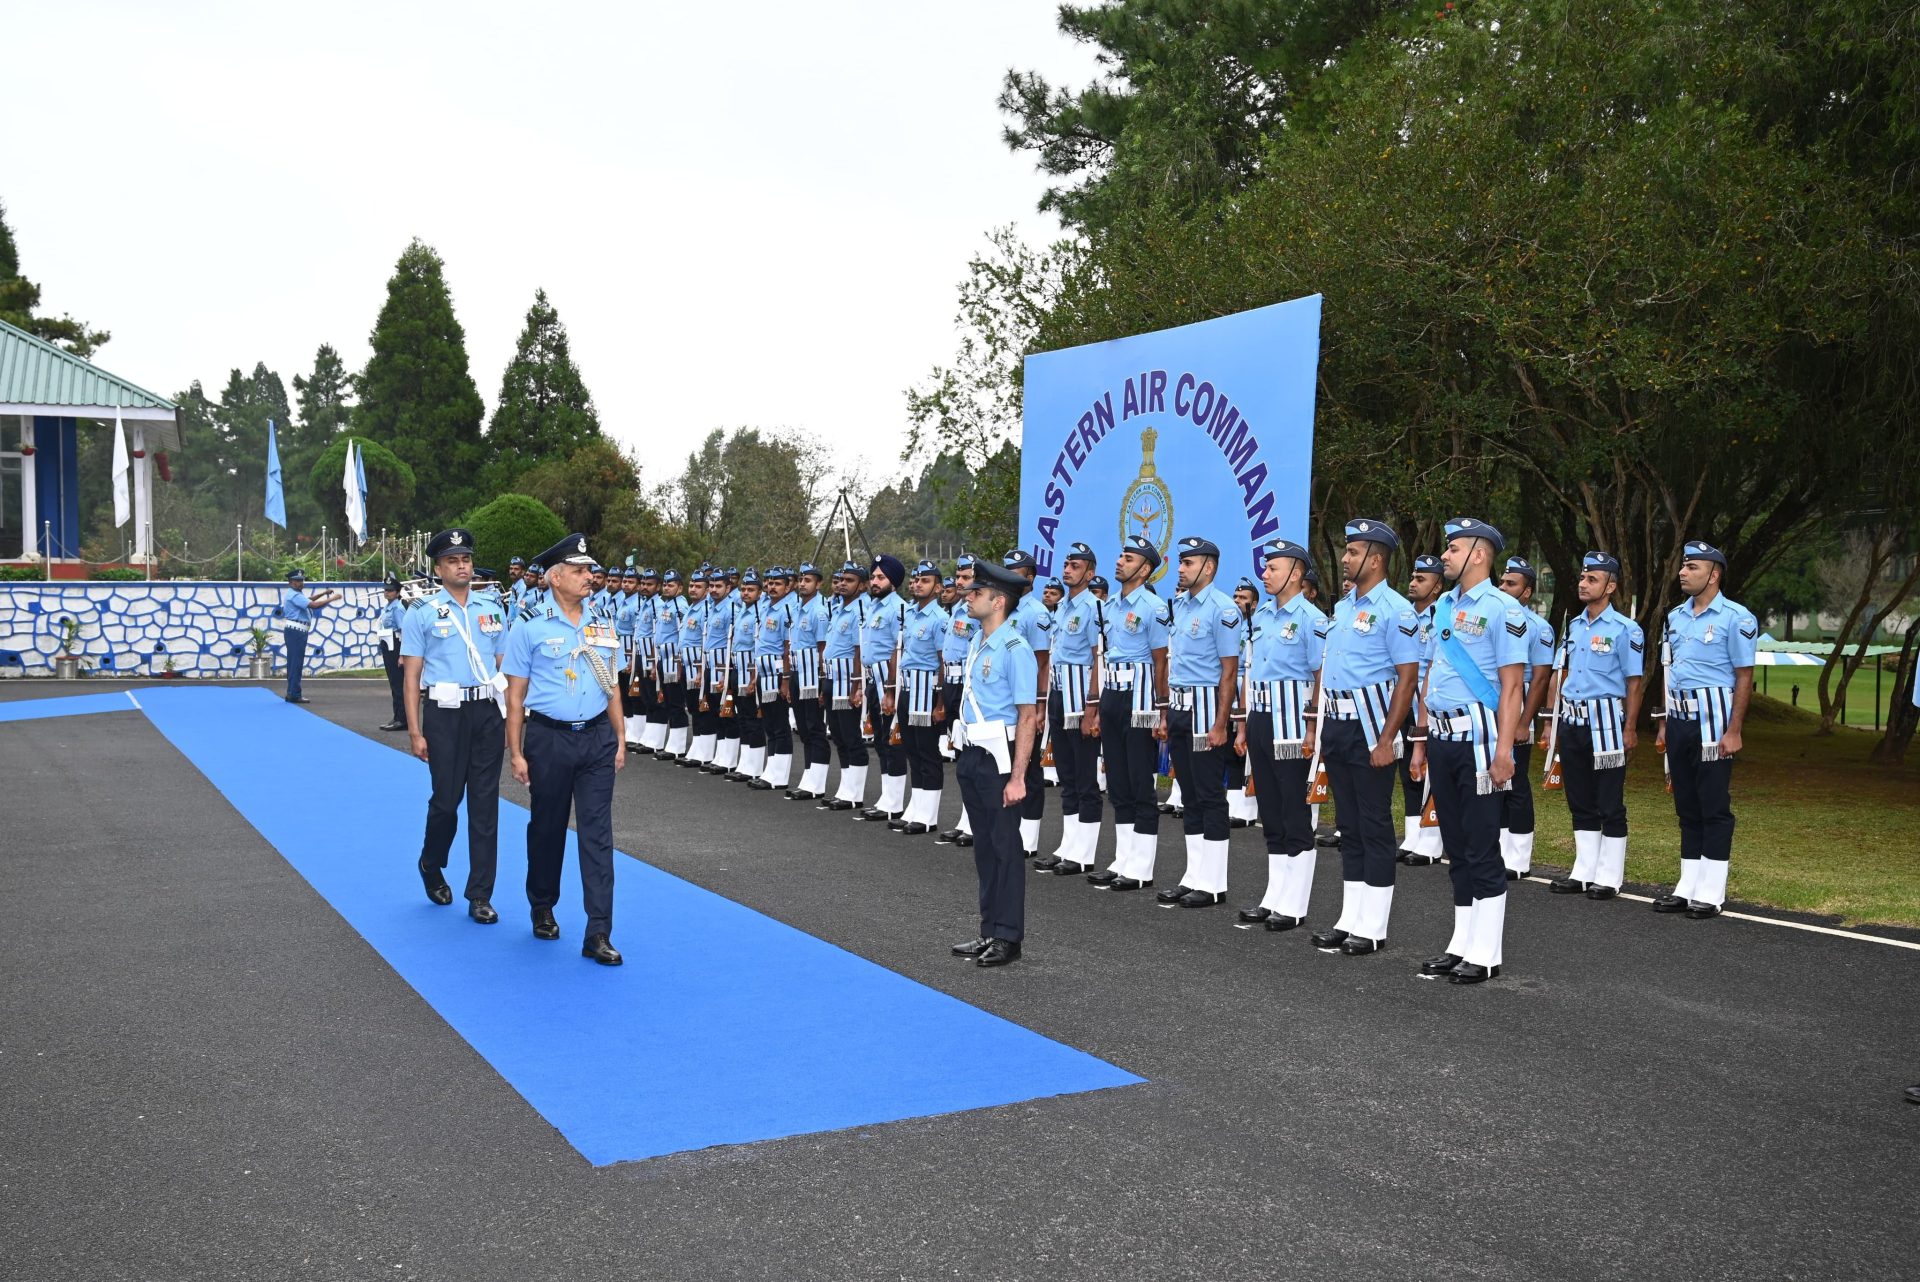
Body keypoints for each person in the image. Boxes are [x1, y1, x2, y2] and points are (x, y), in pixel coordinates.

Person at [1410, 517, 1529, 983]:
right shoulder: (1443, 607)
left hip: (1480, 735)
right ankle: (1461, 941)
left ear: (1479, 553)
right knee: (1456, 847)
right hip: (1441, 736)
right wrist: (1421, 745)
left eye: (1454, 548)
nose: (1445, 555)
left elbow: (1513, 683)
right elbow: (1430, 674)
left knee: (1481, 845)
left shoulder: (1503, 609)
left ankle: (1486, 951)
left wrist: (1505, 750)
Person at [504, 533, 628, 965]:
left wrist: (620, 737)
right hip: (548, 738)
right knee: (547, 827)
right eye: (578, 571)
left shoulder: (604, 624)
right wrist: (516, 752)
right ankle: (542, 904)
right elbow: (515, 696)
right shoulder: (529, 626)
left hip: (596, 739)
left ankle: (598, 932)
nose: (588, 577)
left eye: (589, 570)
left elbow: (611, 685)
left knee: (598, 836)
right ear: (555, 578)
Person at [1310, 520, 1420, 954]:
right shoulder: (1342, 608)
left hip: (1371, 727)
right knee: (1348, 826)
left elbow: (1407, 678)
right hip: (1337, 725)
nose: (1346, 558)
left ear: (1375, 559)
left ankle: (1372, 926)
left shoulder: (1397, 610)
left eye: (1353, 552)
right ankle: (1349, 917)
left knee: (1374, 825)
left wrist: (1387, 738)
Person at [400, 528, 509, 923]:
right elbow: (411, 677)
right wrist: (415, 731)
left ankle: (480, 893)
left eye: (465, 559)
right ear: (438, 567)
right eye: (452, 560)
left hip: (486, 714)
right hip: (445, 716)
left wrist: (513, 722)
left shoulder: (493, 608)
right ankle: (431, 862)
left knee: (485, 804)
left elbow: (504, 666)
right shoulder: (422, 613)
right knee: (446, 801)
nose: (461, 566)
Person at [1651, 540, 1756, 920]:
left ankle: (1711, 892)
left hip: (1714, 720)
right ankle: (1688, 884)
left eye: (1692, 567)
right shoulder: (1674, 616)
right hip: (1679, 720)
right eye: (1683, 566)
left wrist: (1735, 729)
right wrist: (1664, 723)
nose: (1683, 572)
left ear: (1714, 575)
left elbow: (1744, 677)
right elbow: (1669, 673)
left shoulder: (1737, 618)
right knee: (1686, 805)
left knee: (1713, 805)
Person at [948, 558, 1042, 968]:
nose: (969, 597)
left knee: (1005, 847)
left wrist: (1019, 776)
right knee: (984, 847)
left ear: (998, 601)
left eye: (977, 593)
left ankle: (1008, 937)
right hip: (971, 753)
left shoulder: (1015, 649)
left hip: (1000, 758)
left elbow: (1028, 715)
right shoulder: (977, 642)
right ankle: (989, 929)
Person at [1235, 542, 1326, 930]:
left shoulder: (1311, 618)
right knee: (1270, 811)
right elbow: (1250, 669)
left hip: (1292, 722)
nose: (1265, 574)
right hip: (1260, 717)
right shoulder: (1261, 617)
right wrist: (1243, 723)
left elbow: (1321, 675)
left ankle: (1295, 904)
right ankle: (1274, 895)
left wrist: (1311, 727)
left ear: (1295, 572)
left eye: (1273, 568)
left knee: (1293, 809)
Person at [1547, 551, 1646, 900]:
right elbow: (1563, 674)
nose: (1583, 584)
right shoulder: (1573, 626)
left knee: (1609, 801)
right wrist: (1551, 723)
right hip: (1573, 720)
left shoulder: (1625, 630)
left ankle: (1609, 876)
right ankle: (1584, 869)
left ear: (1610, 586)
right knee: (1579, 798)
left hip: (1606, 722)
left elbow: (1634, 683)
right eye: (1582, 578)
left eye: (1592, 579)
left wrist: (1630, 728)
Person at [1152, 536, 1242, 908]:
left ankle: (1215, 882)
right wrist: (1166, 713)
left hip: (1207, 710)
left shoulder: (1223, 610)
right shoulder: (1182, 606)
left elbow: (1229, 671)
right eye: (1181, 563)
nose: (1182, 569)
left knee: (1209, 795)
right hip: (1179, 707)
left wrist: (1221, 723)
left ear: (1209, 567)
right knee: (1188, 795)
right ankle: (1194, 875)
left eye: (1189, 563)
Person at [1086, 535, 1171, 891]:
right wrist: (1095, 708)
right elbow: (1102, 656)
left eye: (1129, 557)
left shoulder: (1154, 608)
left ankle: (1142, 866)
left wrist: (1162, 713)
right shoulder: (1109, 607)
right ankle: (1123, 858)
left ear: (1146, 568)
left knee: (1140, 782)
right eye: (1120, 555)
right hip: (1113, 694)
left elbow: (1162, 661)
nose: (1120, 561)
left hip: (1140, 699)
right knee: (1118, 782)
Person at [1035, 542, 1104, 873]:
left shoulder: (1093, 608)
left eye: (1075, 565)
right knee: (1067, 775)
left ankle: (1085, 853)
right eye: (1066, 563)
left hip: (1082, 700)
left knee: (1085, 776)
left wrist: (1093, 707)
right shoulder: (1060, 608)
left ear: (1089, 573)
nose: (1067, 569)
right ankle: (1068, 844)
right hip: (1060, 697)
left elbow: (1097, 658)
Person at [1495, 557, 1558, 880]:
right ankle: (1499, 851)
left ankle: (1518, 857)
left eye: (1511, 584)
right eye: (1502, 582)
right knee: (1494, 783)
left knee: (1516, 783)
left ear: (1527, 592)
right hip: (1493, 706)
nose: (1503, 588)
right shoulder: (1492, 617)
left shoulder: (1538, 627)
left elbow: (1542, 678)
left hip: (1520, 707)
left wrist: (1524, 722)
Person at [998, 551, 1054, 856]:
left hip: (1027, 700)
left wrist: (1040, 707)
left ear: (1030, 577)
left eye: (1016, 572)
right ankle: (1009, 830)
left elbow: (1042, 663)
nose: (1009, 576)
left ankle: (1029, 839)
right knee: (1005, 766)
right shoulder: (1003, 607)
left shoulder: (1037, 613)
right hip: (1004, 699)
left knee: (1029, 768)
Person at [892, 560, 951, 833]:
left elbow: (943, 661)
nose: (917, 584)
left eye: (925, 580)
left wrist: (940, 702)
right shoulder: (911, 613)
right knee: (912, 750)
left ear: (938, 588)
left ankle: (928, 815)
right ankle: (915, 807)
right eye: (915, 579)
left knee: (928, 752)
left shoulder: (940, 619)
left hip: (928, 690)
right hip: (908, 687)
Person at [1398, 554, 1446, 865]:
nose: (1414, 583)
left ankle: (1432, 840)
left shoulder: (1442, 615)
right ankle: (1413, 834)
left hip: (1429, 703)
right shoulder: (1404, 616)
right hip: (1404, 702)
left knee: (1433, 771)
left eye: (1422, 579)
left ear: (1438, 586)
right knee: (1408, 770)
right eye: (1413, 578)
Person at [858, 555, 911, 822]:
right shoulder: (873, 606)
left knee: (893, 742)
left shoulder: (897, 608)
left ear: (894, 581)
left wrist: (890, 690)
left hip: (888, 681)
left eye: (881, 577)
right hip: (872, 679)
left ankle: (895, 801)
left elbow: (896, 651)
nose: (875, 582)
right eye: (874, 577)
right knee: (880, 740)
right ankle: (886, 796)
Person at [820, 561, 872, 811]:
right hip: (832, 677)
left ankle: (855, 793)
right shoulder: (839, 606)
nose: (842, 583)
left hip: (847, 680)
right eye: (840, 579)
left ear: (863, 585)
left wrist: (857, 685)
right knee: (839, 736)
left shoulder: (861, 608)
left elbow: (859, 649)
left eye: (849, 580)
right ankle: (845, 787)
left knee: (851, 736)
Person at [937, 556, 982, 845]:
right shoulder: (956, 610)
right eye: (958, 576)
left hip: (969, 687)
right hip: (952, 685)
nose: (960, 581)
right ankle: (966, 819)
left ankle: (977, 823)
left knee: (973, 759)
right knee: (962, 760)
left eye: (966, 576)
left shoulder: (979, 612)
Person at [748, 567, 799, 791]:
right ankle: (771, 769)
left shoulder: (788, 608)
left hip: (778, 672)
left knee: (780, 724)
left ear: (788, 586)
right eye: (769, 583)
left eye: (777, 583)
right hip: (764, 671)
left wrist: (786, 681)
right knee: (769, 723)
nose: (771, 587)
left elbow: (788, 647)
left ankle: (780, 774)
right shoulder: (766, 607)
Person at [786, 563, 834, 800]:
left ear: (819, 584)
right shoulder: (797, 608)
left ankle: (817, 781)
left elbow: (823, 648)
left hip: (812, 674)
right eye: (801, 579)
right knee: (803, 728)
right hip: (796, 671)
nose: (803, 583)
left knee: (815, 727)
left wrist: (823, 681)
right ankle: (809, 775)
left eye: (808, 580)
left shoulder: (820, 611)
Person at [1223, 577, 1261, 828]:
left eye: (1243, 599)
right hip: (1229, 687)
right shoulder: (1229, 624)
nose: (1238, 602)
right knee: (1230, 748)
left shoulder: (1257, 625)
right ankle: (1234, 802)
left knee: (1248, 748)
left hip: (1249, 689)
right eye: (1235, 598)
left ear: (1254, 604)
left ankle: (1248, 807)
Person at [727, 570, 768, 782]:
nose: (745, 593)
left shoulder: (760, 613)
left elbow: (757, 646)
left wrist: (754, 677)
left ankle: (756, 764)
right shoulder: (742, 610)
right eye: (743, 589)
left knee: (753, 718)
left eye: (751, 590)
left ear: (760, 592)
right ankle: (746, 761)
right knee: (741, 716)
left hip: (750, 669)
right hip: (737, 668)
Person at [276, 569, 340, 703]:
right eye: (297, 581)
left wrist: (323, 593)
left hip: (296, 631)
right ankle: (294, 694)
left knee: (294, 663)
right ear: (291, 582)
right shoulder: (294, 595)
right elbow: (314, 605)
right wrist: (332, 598)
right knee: (296, 663)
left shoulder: (295, 594)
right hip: (296, 632)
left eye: (301, 580)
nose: (300, 583)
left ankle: (292, 692)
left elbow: (308, 600)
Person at [703, 568, 743, 775]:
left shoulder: (733, 608)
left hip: (724, 664)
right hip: (711, 662)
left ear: (729, 587)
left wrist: (727, 671)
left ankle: (730, 757)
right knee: (715, 711)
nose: (714, 590)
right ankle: (720, 754)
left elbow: (733, 640)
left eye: (719, 586)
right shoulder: (711, 607)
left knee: (728, 711)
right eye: (711, 586)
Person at [676, 569, 711, 768]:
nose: (693, 589)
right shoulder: (691, 607)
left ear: (706, 590)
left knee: (702, 709)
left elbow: (705, 642)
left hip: (698, 665)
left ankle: (704, 751)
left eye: (698, 587)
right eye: (691, 585)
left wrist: (699, 671)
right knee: (693, 708)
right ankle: (697, 747)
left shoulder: (705, 609)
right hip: (686, 664)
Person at [377, 573, 408, 730]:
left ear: (397, 592)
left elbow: (404, 632)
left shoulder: (398, 608)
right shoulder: (388, 607)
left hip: (396, 647)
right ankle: (397, 716)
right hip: (388, 646)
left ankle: (402, 719)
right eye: (386, 590)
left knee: (398, 685)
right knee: (394, 684)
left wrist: (402, 656)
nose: (387, 592)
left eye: (390, 590)